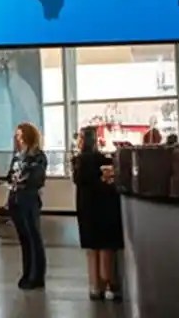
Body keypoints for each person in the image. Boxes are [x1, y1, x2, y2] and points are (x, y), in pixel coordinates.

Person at [72, 125, 122, 301]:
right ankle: (111, 283)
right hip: (105, 207)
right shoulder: (104, 160)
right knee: (106, 247)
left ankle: (95, 287)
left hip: (86, 208)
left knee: (91, 249)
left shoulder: (78, 161)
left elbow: (79, 181)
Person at [8, 121, 48, 290]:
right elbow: (11, 175)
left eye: (20, 134)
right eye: (17, 135)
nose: (18, 138)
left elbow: (36, 178)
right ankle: (27, 272)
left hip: (29, 199)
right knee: (24, 238)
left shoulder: (38, 156)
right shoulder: (17, 156)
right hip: (16, 198)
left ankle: (37, 275)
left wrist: (23, 179)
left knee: (33, 237)